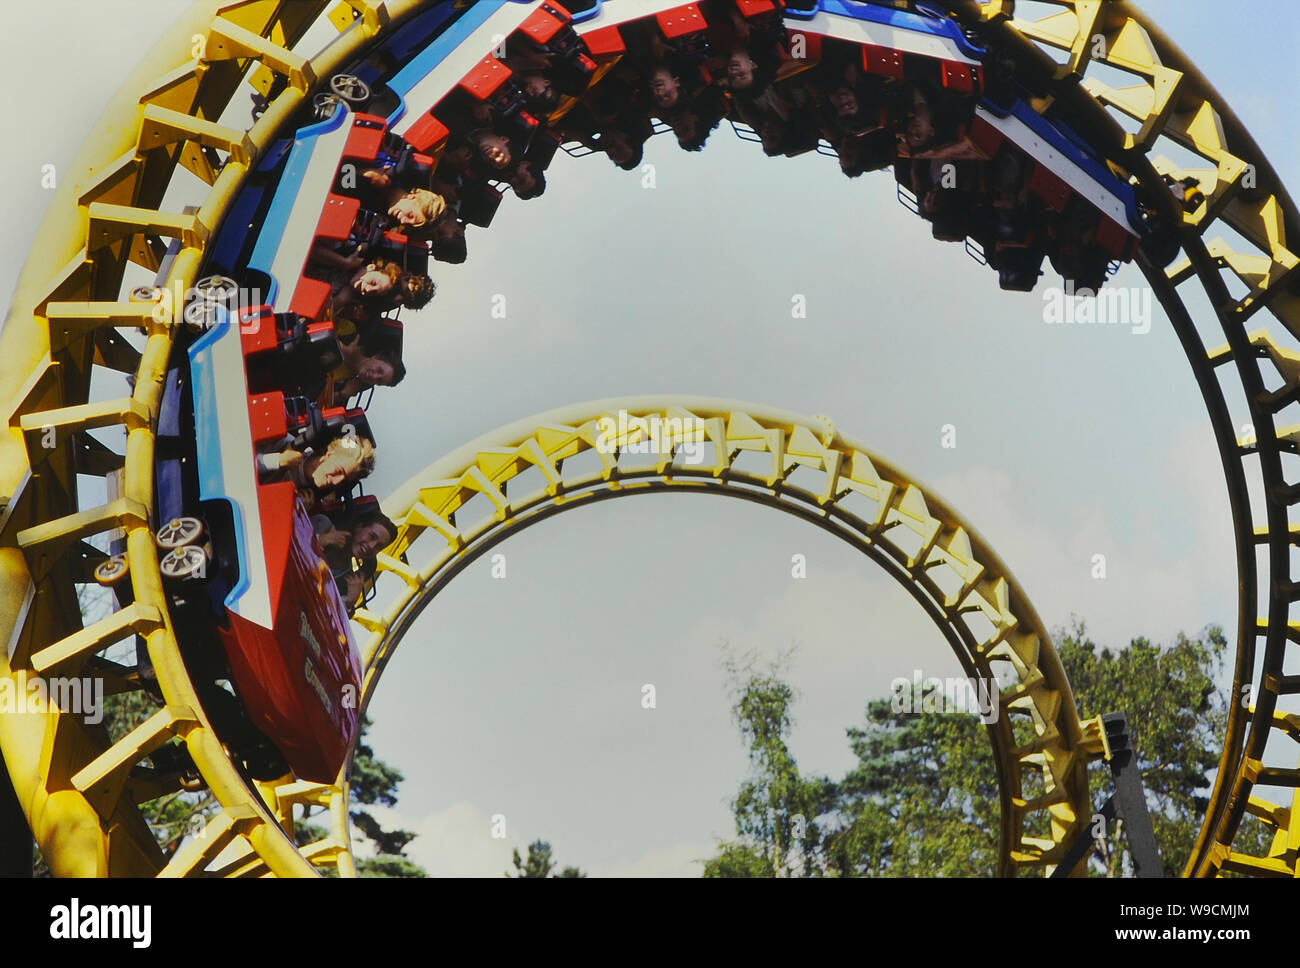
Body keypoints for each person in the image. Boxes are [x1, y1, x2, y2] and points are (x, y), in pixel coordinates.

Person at [256, 433, 375, 507]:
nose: (336, 482)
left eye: (344, 481)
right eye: (339, 471)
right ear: (329, 455)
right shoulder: (283, 441)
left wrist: (292, 510)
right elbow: (238, 461)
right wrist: (278, 460)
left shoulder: (308, 500)